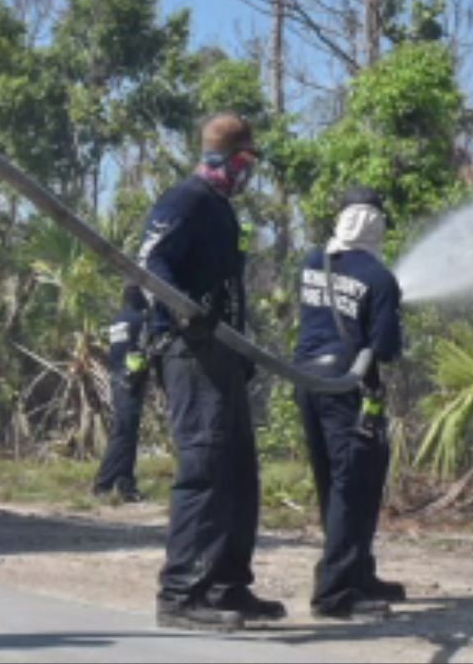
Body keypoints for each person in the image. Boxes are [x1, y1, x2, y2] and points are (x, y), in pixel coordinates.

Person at [138, 114, 283, 632]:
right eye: (245, 162)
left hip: (222, 355)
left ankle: (225, 585)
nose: (248, 174)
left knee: (237, 472)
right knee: (204, 468)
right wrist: (183, 311)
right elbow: (149, 262)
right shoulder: (188, 199)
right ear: (228, 159)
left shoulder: (219, 208)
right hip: (190, 352)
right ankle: (182, 593)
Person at [293, 186, 408, 621]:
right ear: (376, 224)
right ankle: (336, 593)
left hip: (307, 380)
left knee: (335, 482)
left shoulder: (312, 262)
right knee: (355, 483)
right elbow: (386, 348)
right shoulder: (379, 278)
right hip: (348, 388)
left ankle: (358, 573)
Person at [92, 284, 152, 502]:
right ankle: (103, 483)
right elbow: (147, 348)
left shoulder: (118, 320)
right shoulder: (141, 320)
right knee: (124, 433)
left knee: (127, 433)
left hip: (118, 378)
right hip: (131, 380)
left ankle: (125, 484)